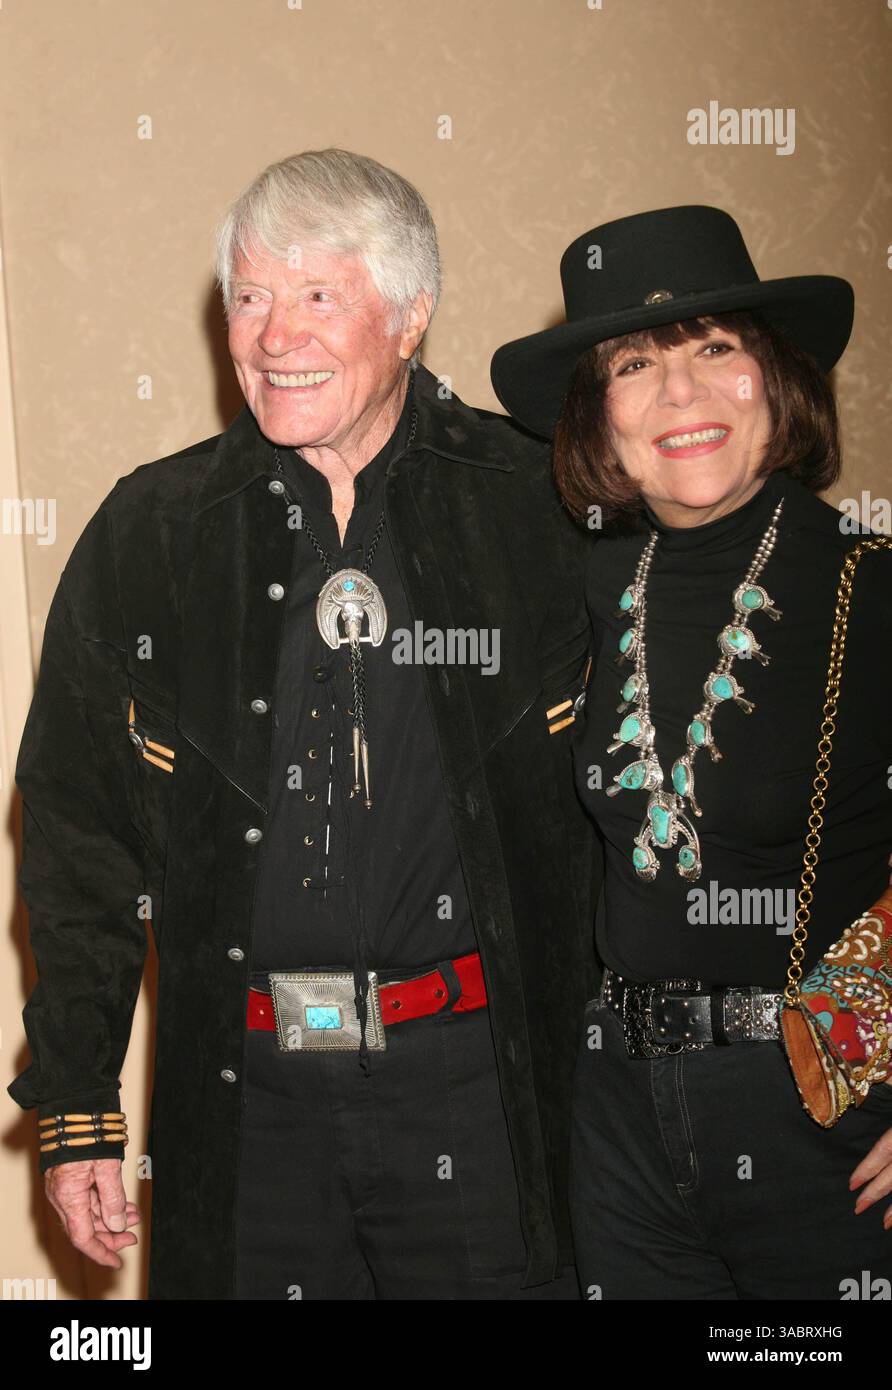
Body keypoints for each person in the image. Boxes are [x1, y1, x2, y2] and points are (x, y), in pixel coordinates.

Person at [7, 148, 602, 1300]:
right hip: (245, 1101)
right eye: (248, 296)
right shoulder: (155, 529)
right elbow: (81, 835)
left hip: (478, 1092)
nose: (271, 336)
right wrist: (78, 1101)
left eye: (316, 296)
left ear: (412, 314)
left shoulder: (538, 505)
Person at [490, 205, 892, 1299]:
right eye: (634, 364)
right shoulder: (580, 594)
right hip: (618, 1114)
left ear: (776, 377)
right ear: (597, 417)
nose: (681, 394)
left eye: (716, 347)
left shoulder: (871, 587)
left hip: (825, 1108)